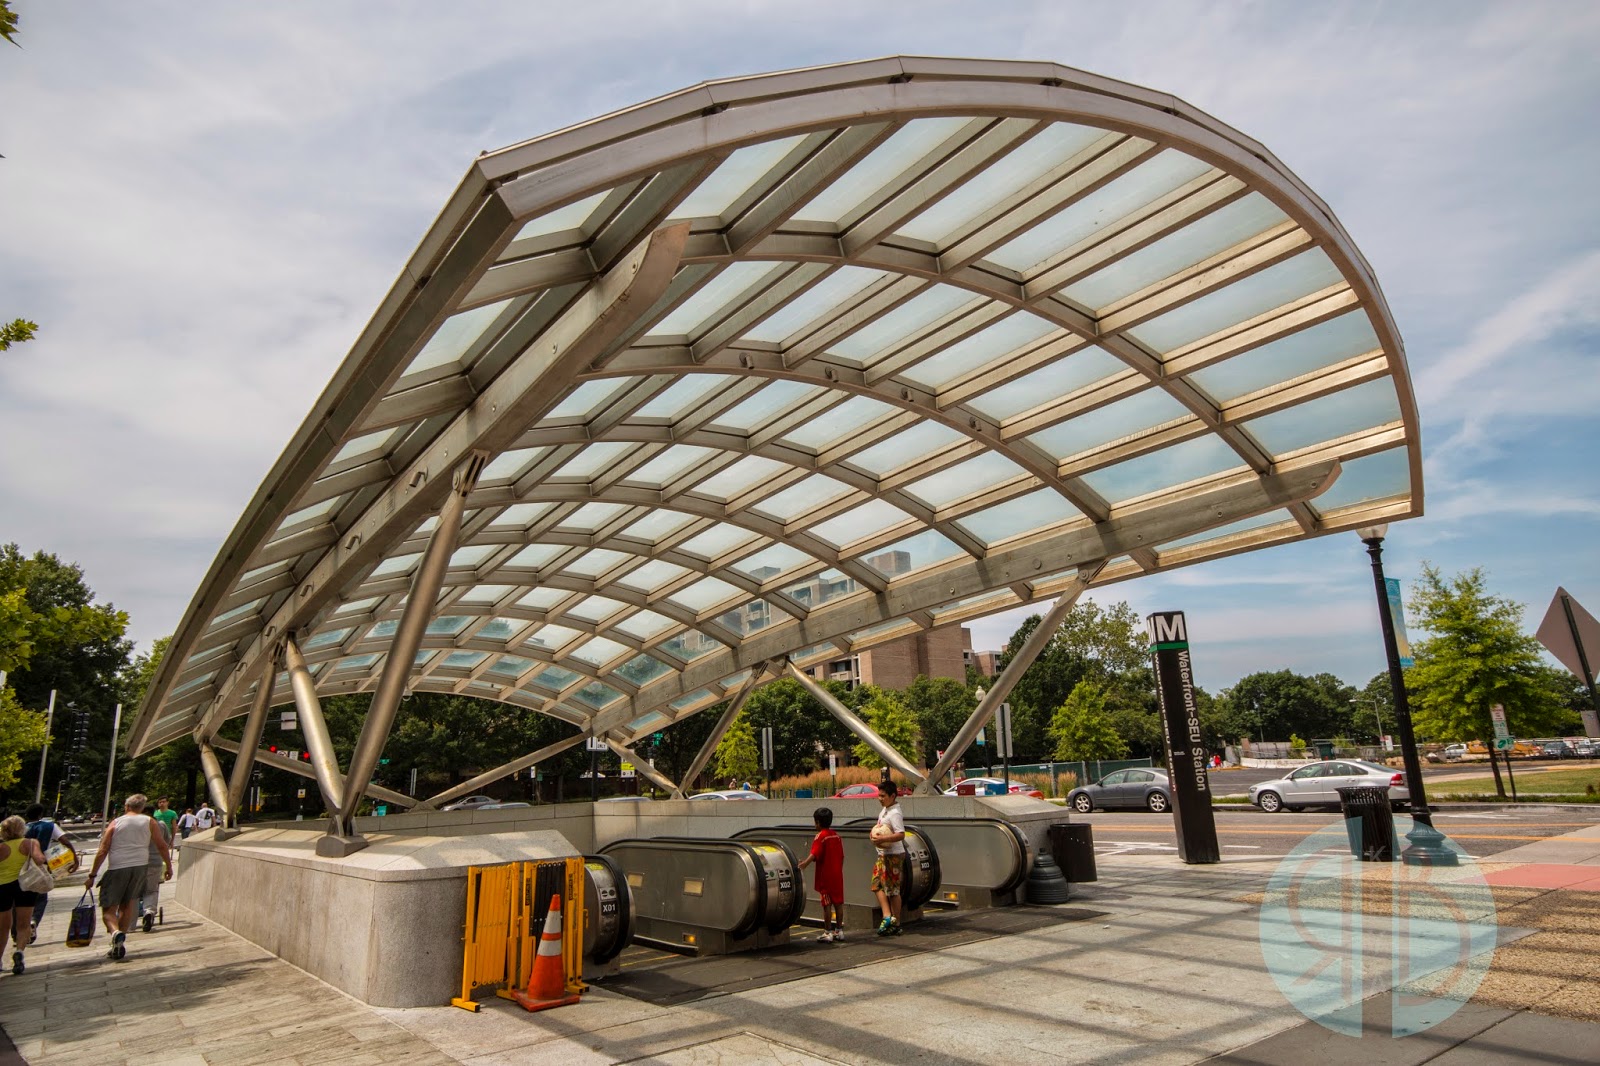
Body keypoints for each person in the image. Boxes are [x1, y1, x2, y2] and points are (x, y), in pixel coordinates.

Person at [85, 794, 173, 962]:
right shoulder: (150, 822)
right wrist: (168, 866)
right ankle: (119, 941)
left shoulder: (116, 822)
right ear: (141, 808)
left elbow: (103, 849)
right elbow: (162, 845)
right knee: (128, 904)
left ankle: (115, 932)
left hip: (118, 867)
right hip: (140, 867)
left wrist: (92, 874)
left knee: (109, 908)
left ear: (126, 807)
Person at [1, 815, 51, 975]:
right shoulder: (30, 843)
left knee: (3, 927)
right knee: (23, 924)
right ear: (22, 829)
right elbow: (39, 859)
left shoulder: (1, 848)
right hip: (25, 885)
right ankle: (19, 952)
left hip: (3, 887)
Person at [23, 802, 79, 935]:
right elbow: (65, 841)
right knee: (41, 897)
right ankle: (34, 919)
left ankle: (18, 931)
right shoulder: (49, 826)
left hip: (22, 867)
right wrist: (74, 858)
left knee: (22, 898)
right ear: (41, 814)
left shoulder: (21, 828)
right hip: (42, 865)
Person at [795, 806, 845, 941]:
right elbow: (841, 856)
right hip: (837, 875)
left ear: (817, 822)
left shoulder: (820, 836)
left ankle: (827, 932)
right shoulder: (836, 836)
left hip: (825, 876)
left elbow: (814, 853)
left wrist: (804, 864)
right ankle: (839, 931)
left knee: (826, 904)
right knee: (838, 903)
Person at [870, 780, 906, 936]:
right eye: (879, 795)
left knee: (892, 889)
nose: (880, 798)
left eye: (883, 796)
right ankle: (887, 916)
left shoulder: (895, 813)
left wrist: (884, 840)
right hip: (883, 854)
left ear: (892, 796)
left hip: (893, 855)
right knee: (877, 884)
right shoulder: (885, 810)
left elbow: (901, 834)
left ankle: (896, 922)